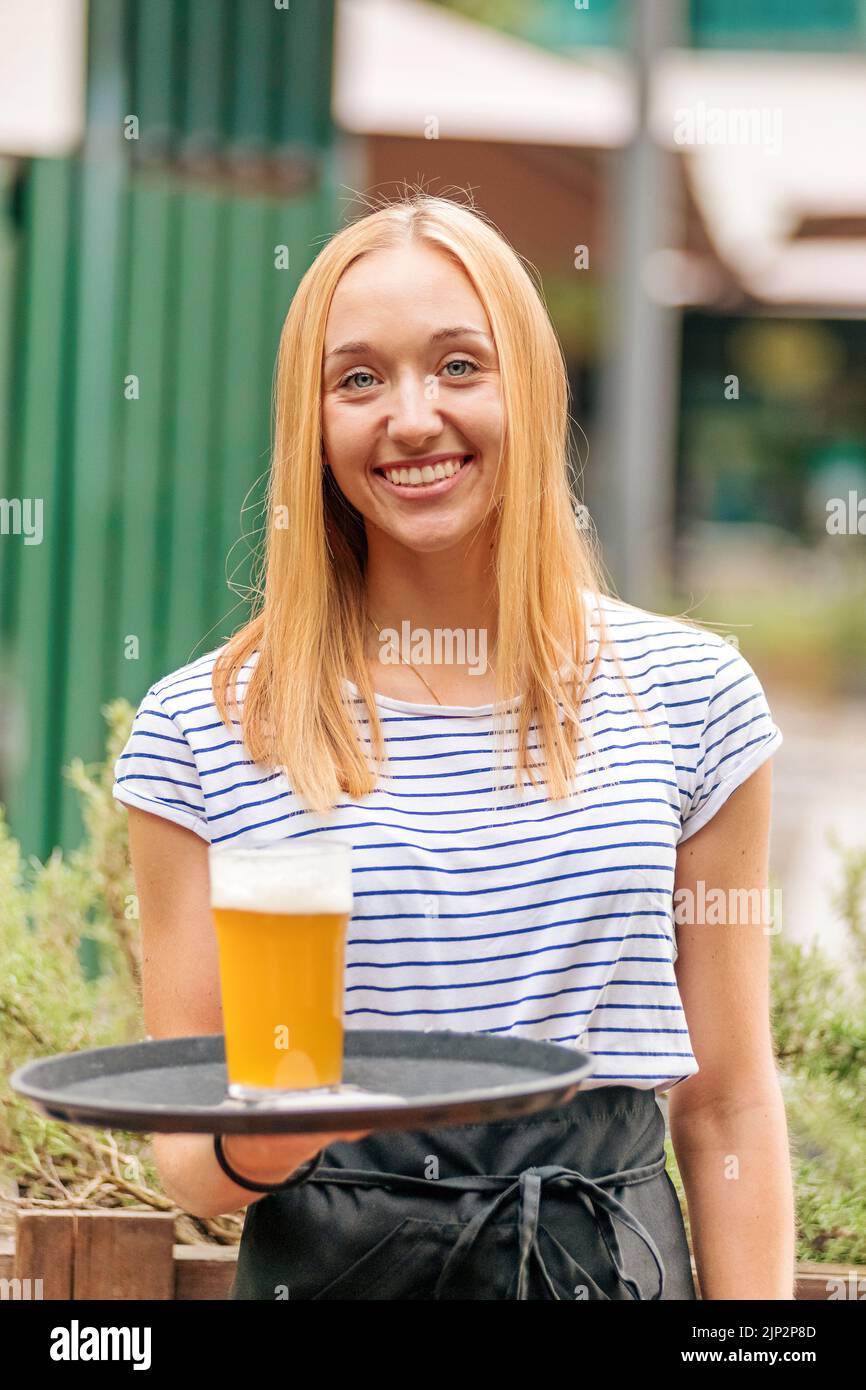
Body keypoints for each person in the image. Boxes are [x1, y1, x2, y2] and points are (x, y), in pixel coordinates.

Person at [112, 192, 795, 1300]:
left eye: (459, 365)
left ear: (527, 384)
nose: (411, 417)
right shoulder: (203, 727)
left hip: (599, 1268)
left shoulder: (689, 694)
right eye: (358, 378)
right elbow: (192, 1157)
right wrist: (268, 1138)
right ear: (312, 420)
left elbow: (724, 1101)